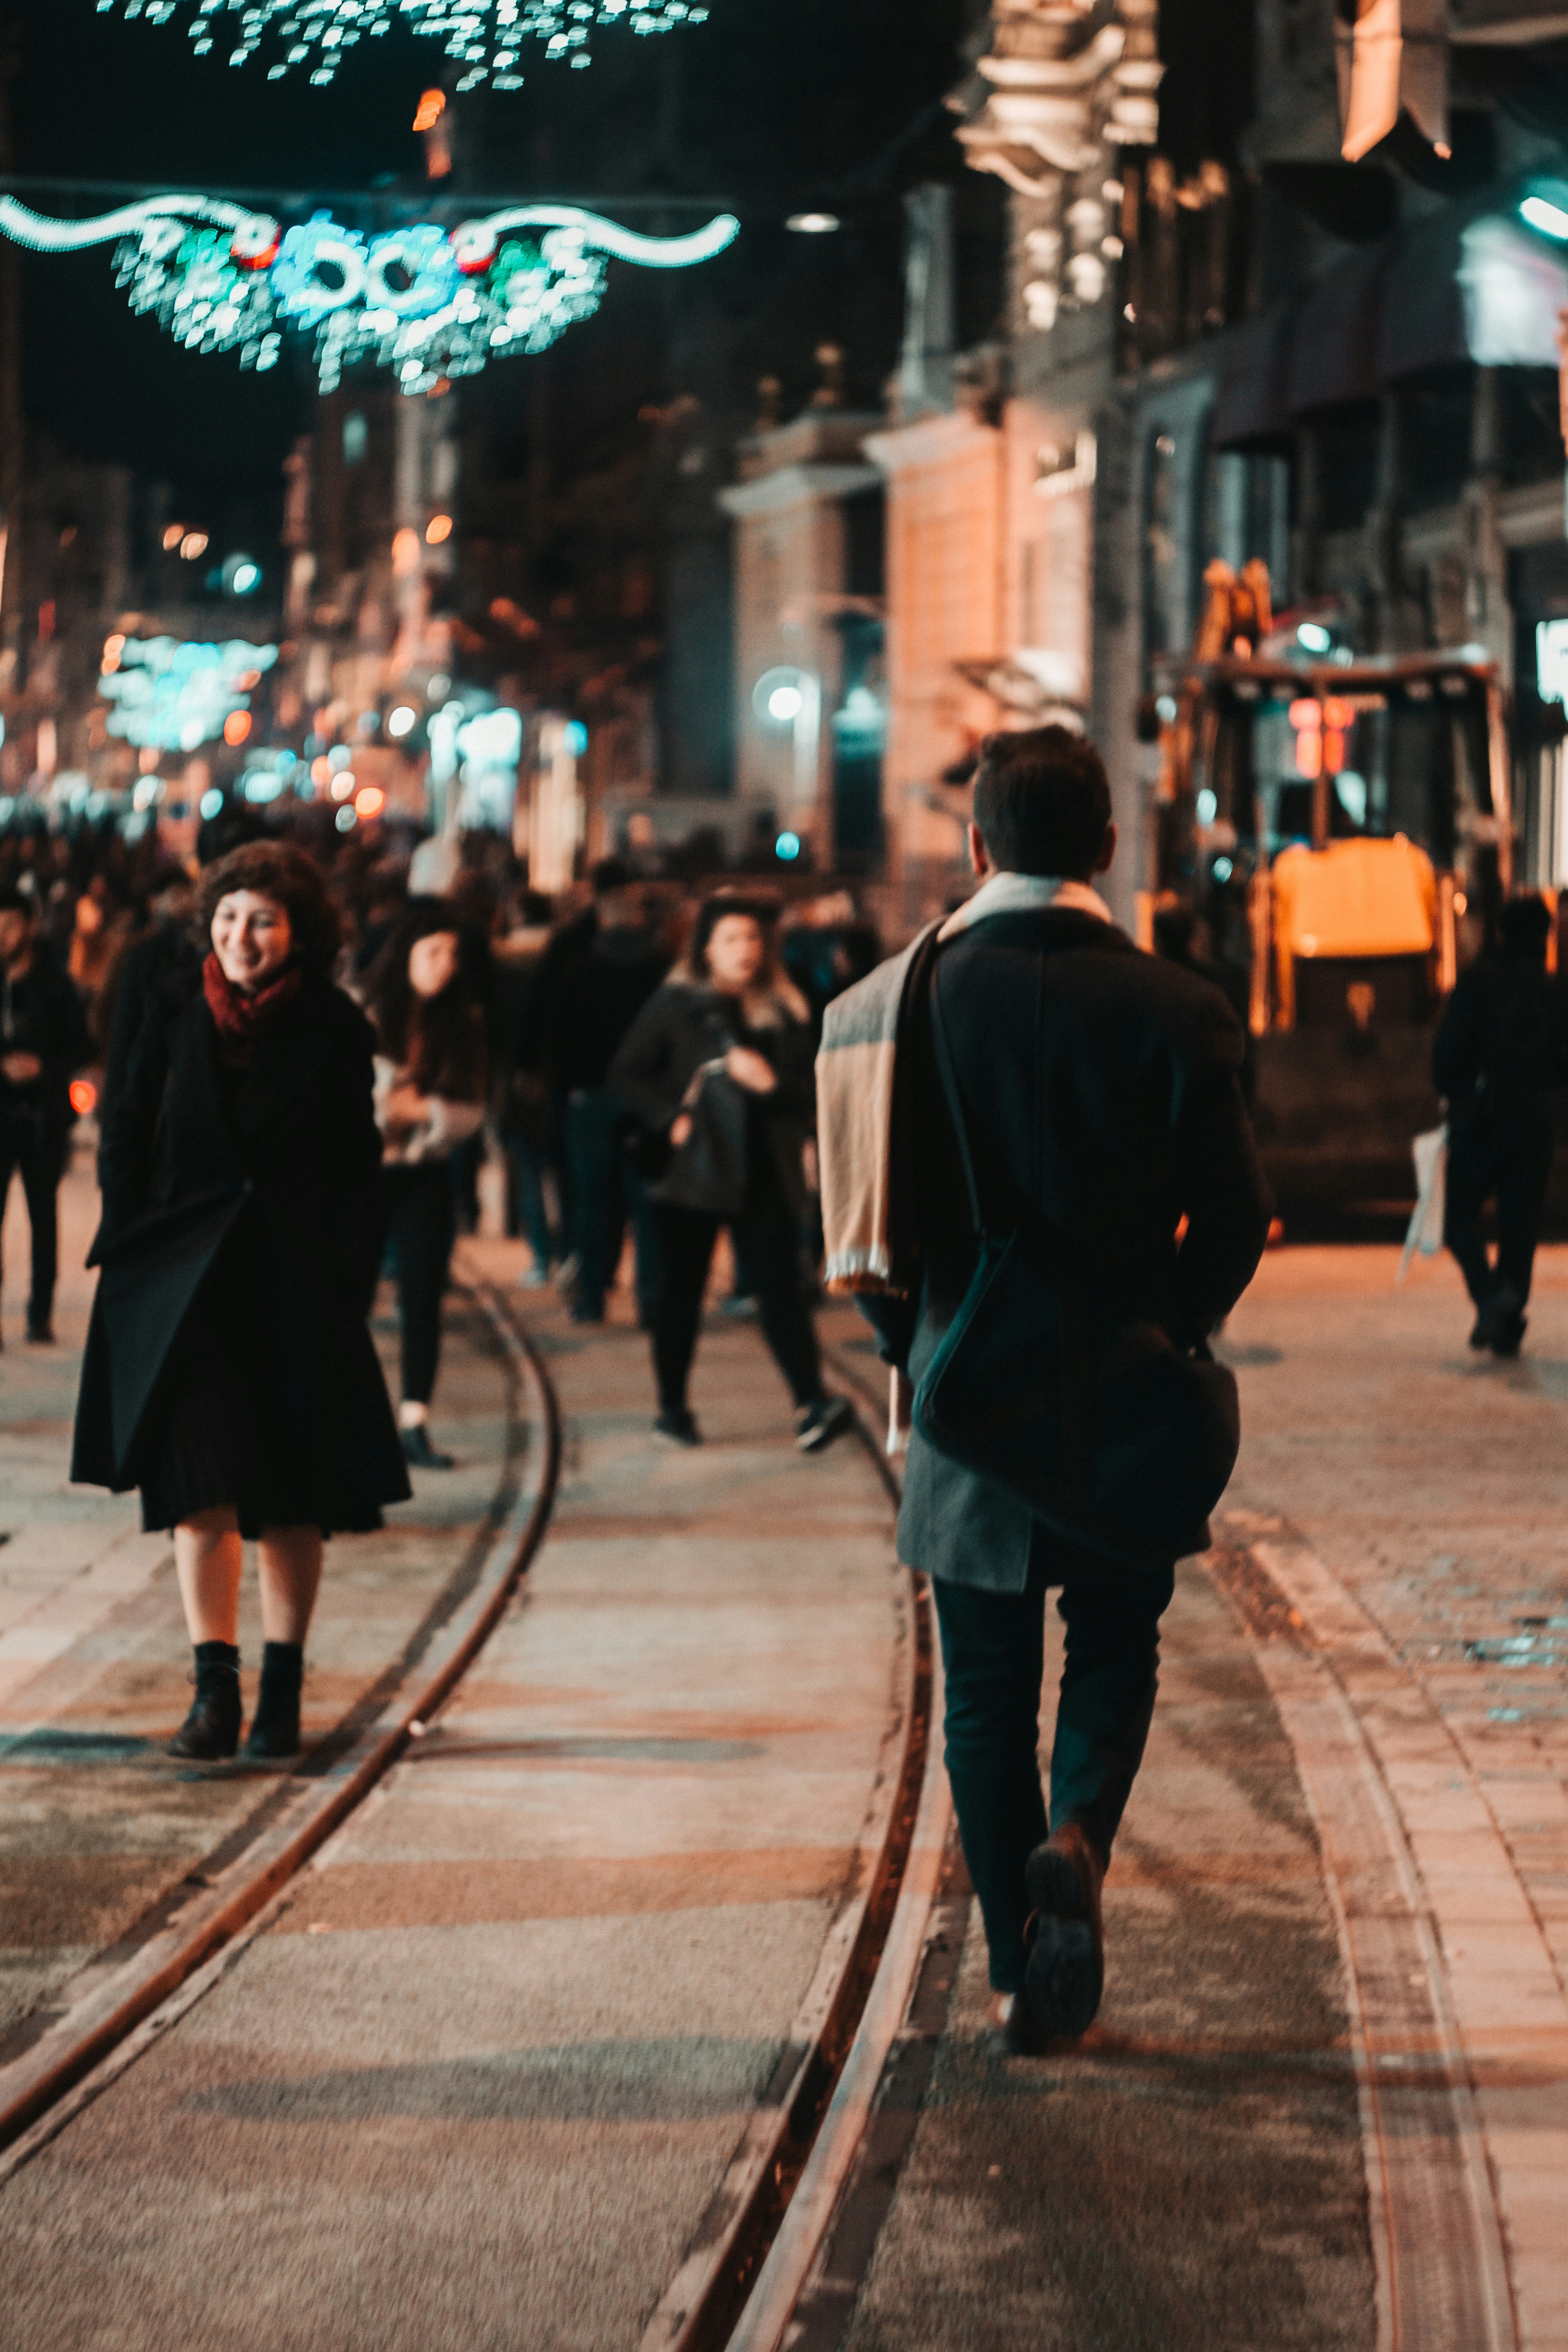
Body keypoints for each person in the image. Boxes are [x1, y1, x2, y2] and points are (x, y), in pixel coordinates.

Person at [834, 727, 1270, 2050]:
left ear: (975, 847)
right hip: (1127, 1384)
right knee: (1116, 1641)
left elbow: (860, 1238)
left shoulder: (889, 1005)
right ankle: (1077, 1836)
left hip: (965, 1393)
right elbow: (1241, 1217)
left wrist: (927, 1341)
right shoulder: (1182, 1006)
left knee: (979, 1686)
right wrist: (1176, 1325)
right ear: (1107, 847)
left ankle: (1025, 1964)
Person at [71, 841, 410, 1764]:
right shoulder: (171, 1000)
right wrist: (132, 1233)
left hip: (294, 1282)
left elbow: (357, 1159)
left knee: (294, 1494)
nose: (242, 936)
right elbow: (126, 1122)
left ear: (298, 930)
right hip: (188, 1284)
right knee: (200, 1490)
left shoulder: (335, 1025)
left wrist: (347, 1270)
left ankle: (284, 1686)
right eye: (227, 919)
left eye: (262, 919)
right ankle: (213, 1689)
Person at [611, 892, 854, 1452]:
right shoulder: (676, 1004)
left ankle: (811, 1401)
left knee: (781, 1288)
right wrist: (671, 1116)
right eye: (730, 939)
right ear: (706, 948)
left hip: (765, 1169)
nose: (744, 950)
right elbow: (627, 1074)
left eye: (752, 939)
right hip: (695, 1170)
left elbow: (812, 1085)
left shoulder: (785, 1006)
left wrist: (770, 1085)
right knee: (682, 1291)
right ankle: (672, 1406)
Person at [364, 902, 489, 1469]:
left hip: (423, 1173)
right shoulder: (361, 1012)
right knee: (349, 1297)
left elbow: (472, 1110)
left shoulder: (461, 1022)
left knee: (423, 1298)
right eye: (433, 951)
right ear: (406, 951)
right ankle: (353, 1420)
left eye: (452, 954)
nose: (444, 965)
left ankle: (414, 1420)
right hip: (360, 1173)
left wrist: (424, 1111)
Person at [1435, 891, 1568, 1357]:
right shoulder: (1554, 993)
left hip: (1482, 1118)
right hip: (1533, 1122)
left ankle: (1493, 1301)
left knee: (1457, 1221)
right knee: (1519, 1227)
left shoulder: (1476, 984)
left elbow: (1447, 1054)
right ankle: (1503, 1317)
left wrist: (1456, 1098)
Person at [0, 885, 93, 1345]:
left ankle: (41, 1312)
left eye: (11, 925)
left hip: (42, 1121)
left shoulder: (55, 986)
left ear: (30, 928)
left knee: (43, 1219)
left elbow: (82, 1047)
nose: (2, 935)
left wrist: (44, 1068)